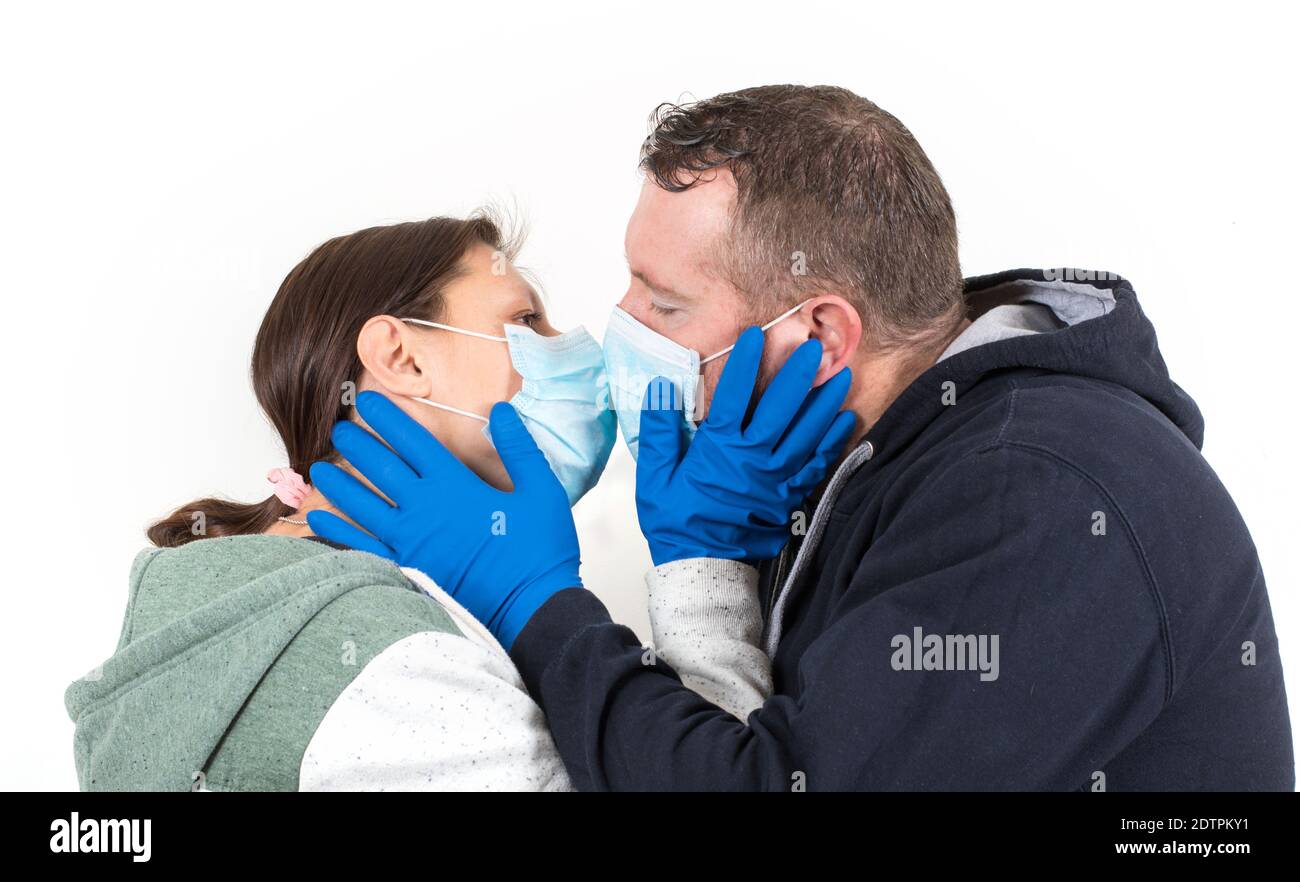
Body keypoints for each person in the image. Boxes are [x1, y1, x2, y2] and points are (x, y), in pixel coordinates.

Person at [317, 86, 1294, 790]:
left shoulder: (1037, 492)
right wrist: (712, 560)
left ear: (820, 334)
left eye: (665, 301)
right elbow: (751, 745)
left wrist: (536, 604)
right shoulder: (863, 467)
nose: (618, 326)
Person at [64, 213, 837, 791]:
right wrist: (704, 568)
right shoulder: (389, 657)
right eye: (526, 319)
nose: (582, 353)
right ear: (401, 357)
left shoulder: (241, 600)